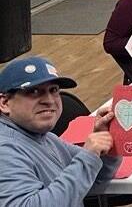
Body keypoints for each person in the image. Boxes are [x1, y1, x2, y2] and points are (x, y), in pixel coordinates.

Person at [0, 56, 121, 206]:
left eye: (54, 90)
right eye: (34, 91)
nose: (49, 100)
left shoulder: (46, 138)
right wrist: (88, 157)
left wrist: (106, 145)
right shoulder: (5, 150)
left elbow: (95, 178)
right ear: (5, 103)